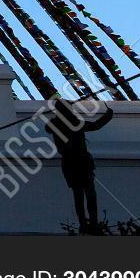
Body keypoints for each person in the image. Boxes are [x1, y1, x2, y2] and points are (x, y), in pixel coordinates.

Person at [44, 97, 113, 232]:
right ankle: (93, 222)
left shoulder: (55, 125)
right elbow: (95, 126)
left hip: (69, 163)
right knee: (90, 194)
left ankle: (83, 223)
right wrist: (108, 116)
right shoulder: (74, 123)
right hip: (81, 162)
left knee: (78, 195)